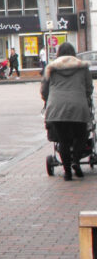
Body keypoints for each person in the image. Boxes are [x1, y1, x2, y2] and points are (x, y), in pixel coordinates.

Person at [41, 42, 92, 181]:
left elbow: (44, 90)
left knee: (63, 140)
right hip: (78, 106)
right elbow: (89, 88)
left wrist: (47, 100)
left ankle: (67, 172)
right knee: (81, 135)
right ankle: (76, 161)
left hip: (57, 107)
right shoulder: (82, 67)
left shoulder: (51, 68)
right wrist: (85, 97)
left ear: (58, 53)